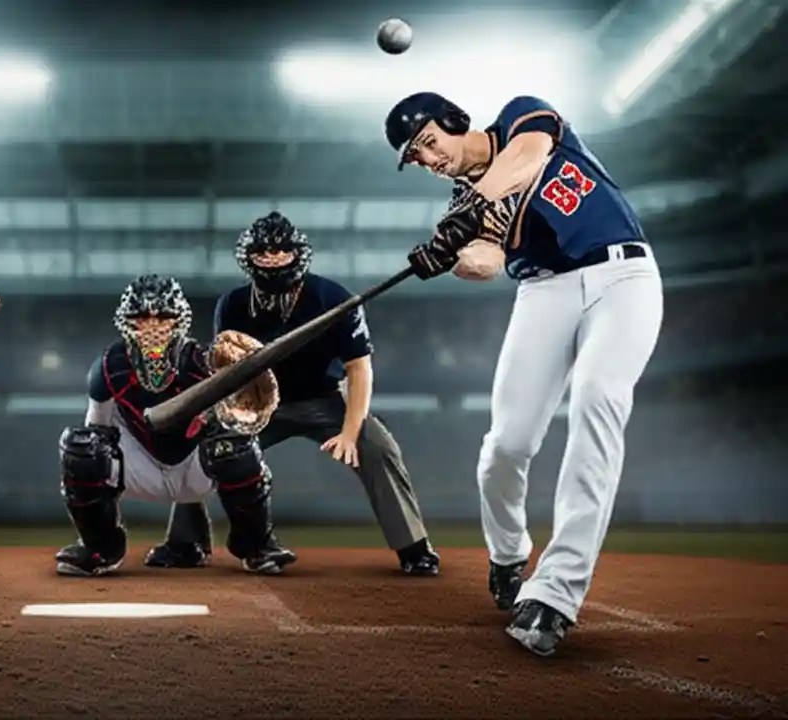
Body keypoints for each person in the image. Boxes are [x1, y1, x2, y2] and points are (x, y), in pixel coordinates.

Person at [387, 92, 663, 656]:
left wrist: (467, 211)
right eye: (415, 157)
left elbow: (531, 155)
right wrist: (446, 253)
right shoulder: (466, 203)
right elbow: (487, 263)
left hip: (623, 277)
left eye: (428, 143)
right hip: (543, 292)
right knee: (505, 447)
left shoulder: (520, 116)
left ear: (455, 122)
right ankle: (509, 558)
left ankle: (556, 594)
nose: (427, 160)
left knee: (596, 397)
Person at [146, 213, 440, 577]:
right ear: (247, 256)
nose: (271, 256)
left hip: (323, 399)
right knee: (204, 446)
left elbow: (359, 368)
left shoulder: (334, 298)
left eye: (280, 249)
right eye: (262, 250)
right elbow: (228, 371)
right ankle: (186, 542)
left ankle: (415, 547)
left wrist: (350, 431)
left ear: (297, 253)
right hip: (256, 402)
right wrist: (223, 413)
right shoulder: (233, 305)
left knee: (377, 444)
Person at [54, 274, 295, 576]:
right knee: (83, 447)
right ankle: (100, 547)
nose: (153, 326)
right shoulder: (109, 366)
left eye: (163, 317)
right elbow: (98, 429)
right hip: (141, 465)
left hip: (195, 466)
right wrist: (98, 469)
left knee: (233, 447)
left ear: (178, 320)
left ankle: (258, 545)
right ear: (128, 321)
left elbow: (239, 418)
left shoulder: (204, 362)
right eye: (143, 317)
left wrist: (226, 402)